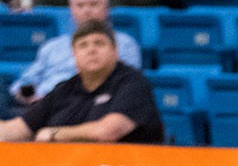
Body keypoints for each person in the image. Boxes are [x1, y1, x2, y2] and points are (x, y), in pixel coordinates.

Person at [0, 22, 162, 145]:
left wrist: (55, 134)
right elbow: (16, 130)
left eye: (99, 43)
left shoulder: (133, 83)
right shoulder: (64, 90)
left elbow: (107, 132)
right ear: (74, 55)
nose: (91, 50)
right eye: (83, 45)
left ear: (115, 51)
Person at [6, 0, 142, 107]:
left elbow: (127, 84)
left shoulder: (124, 44)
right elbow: (24, 84)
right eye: (80, 5)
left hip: (87, 106)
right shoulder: (52, 46)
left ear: (106, 8)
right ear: (71, 9)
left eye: (93, 4)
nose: (86, 11)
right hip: (40, 106)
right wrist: (26, 95)